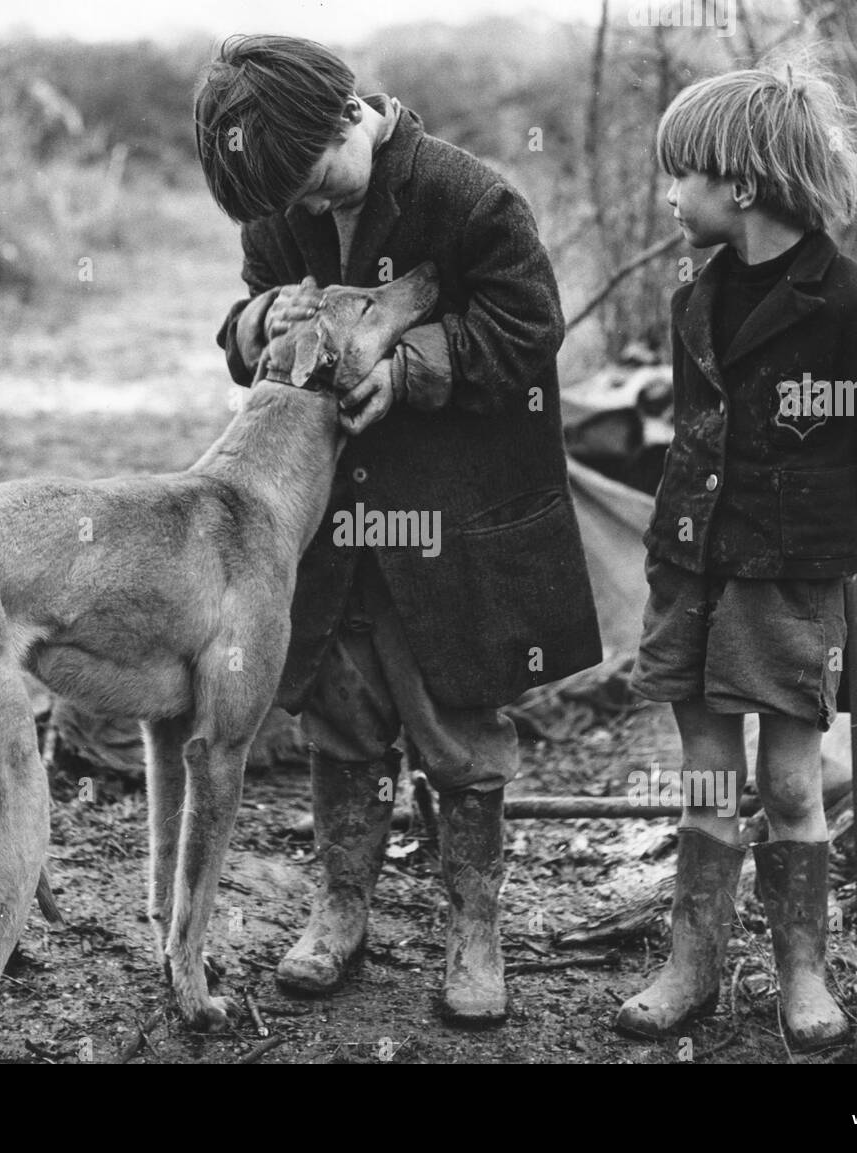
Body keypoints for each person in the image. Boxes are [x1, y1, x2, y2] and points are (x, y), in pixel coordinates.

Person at [194, 34, 602, 1023]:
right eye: (282, 202)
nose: (304, 208)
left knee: (457, 726)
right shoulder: (287, 204)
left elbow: (526, 328)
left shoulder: (469, 199)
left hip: (453, 528)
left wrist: (412, 369)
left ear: (346, 116)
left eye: (310, 182)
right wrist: (256, 328)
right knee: (343, 714)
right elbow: (249, 328)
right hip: (331, 525)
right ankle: (340, 908)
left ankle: (474, 927)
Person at [617, 58, 857, 1049]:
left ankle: (805, 972)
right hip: (691, 567)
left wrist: (831, 547)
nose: (670, 196)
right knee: (708, 774)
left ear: (741, 184)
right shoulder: (692, 300)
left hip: (788, 582)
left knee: (792, 783)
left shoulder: (850, 306)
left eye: (683, 176)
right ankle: (691, 964)